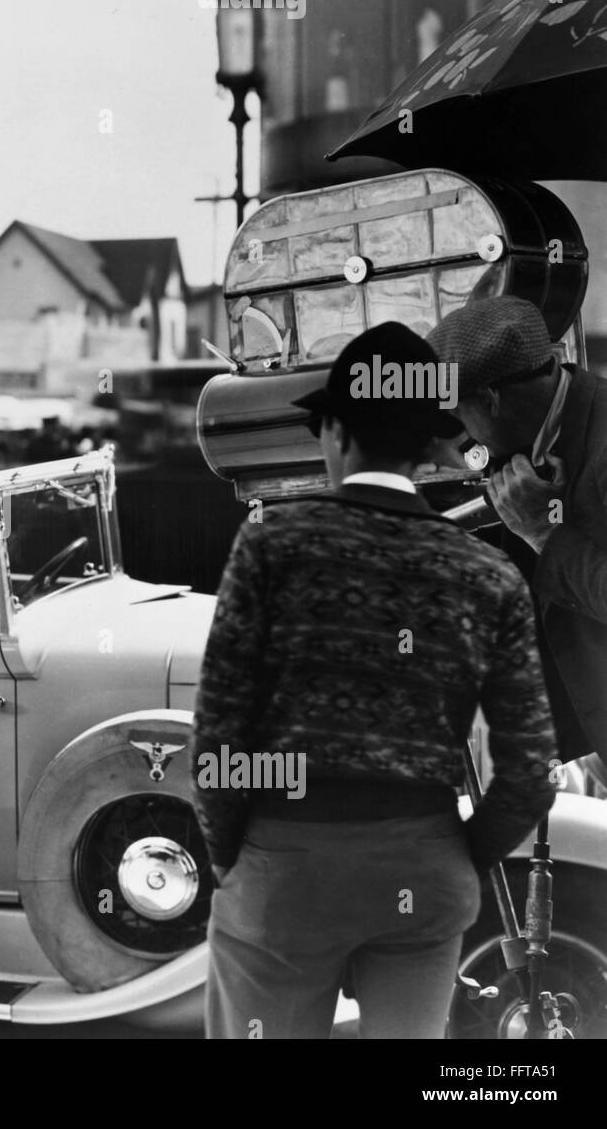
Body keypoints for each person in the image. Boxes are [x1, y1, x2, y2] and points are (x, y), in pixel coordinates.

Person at [191, 322, 558, 1039]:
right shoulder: (485, 573)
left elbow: (219, 737)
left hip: (285, 865)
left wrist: (238, 858)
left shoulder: (273, 545)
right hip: (421, 872)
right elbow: (531, 769)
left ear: (333, 430)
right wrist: (458, 855)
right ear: (430, 445)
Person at [429, 295, 607, 771]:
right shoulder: (541, 438)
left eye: (459, 416)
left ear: (490, 399)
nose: (466, 438)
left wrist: (546, 533)